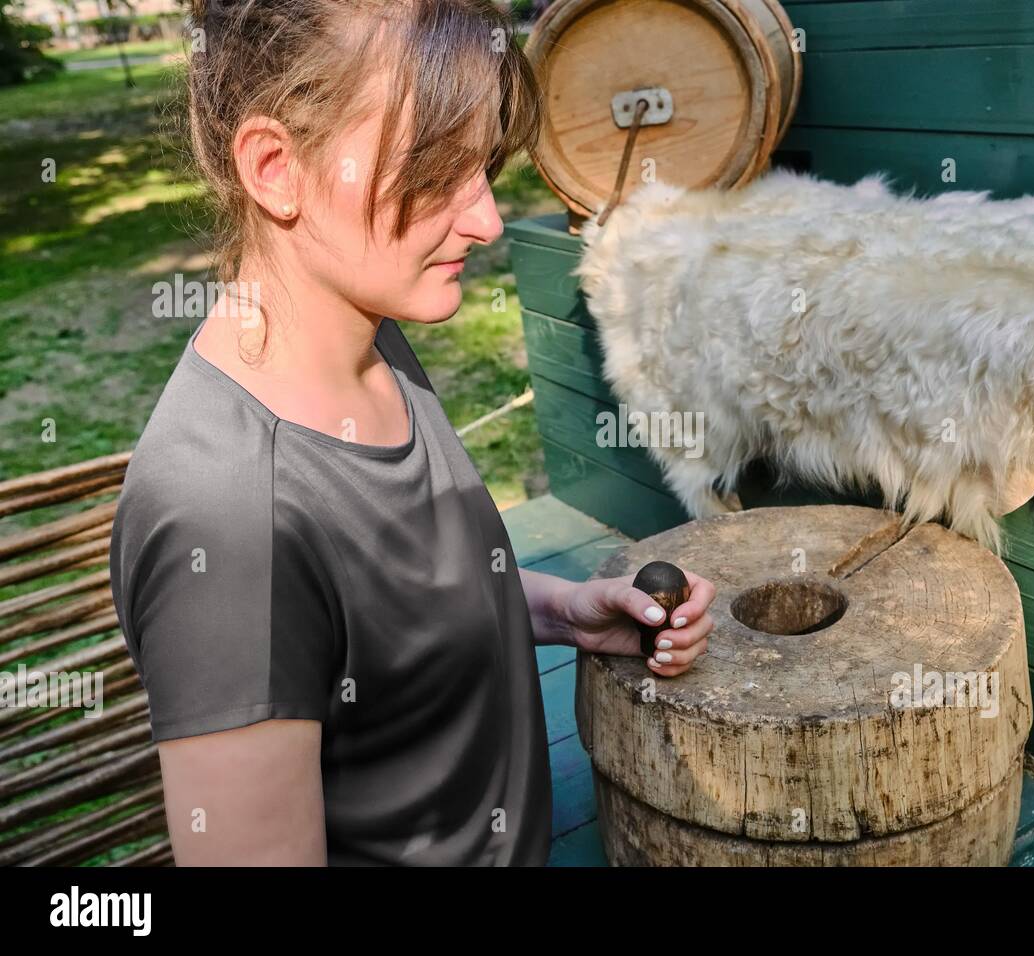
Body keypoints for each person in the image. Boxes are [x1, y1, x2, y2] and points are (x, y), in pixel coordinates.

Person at [108, 0, 715, 866]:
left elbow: (399, 607)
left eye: (482, 169)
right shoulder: (228, 527)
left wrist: (564, 611)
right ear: (276, 168)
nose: (488, 222)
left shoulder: (367, 329)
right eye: (435, 173)